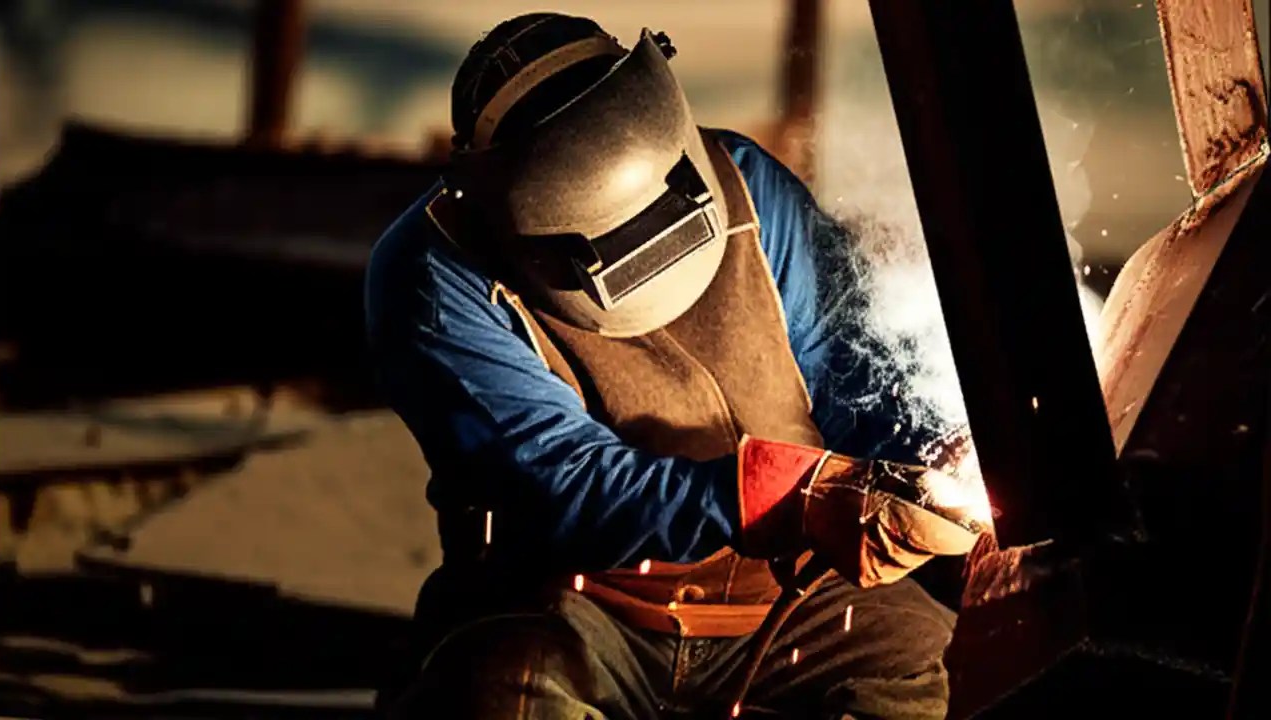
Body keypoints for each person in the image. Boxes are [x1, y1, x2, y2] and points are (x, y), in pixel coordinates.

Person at [365, 13, 984, 720]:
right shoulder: (433, 273)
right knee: (507, 695)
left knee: (935, 668)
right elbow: (566, 487)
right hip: (572, 604)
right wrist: (781, 496)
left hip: (791, 596)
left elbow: (852, 382)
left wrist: (934, 463)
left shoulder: (753, 190)